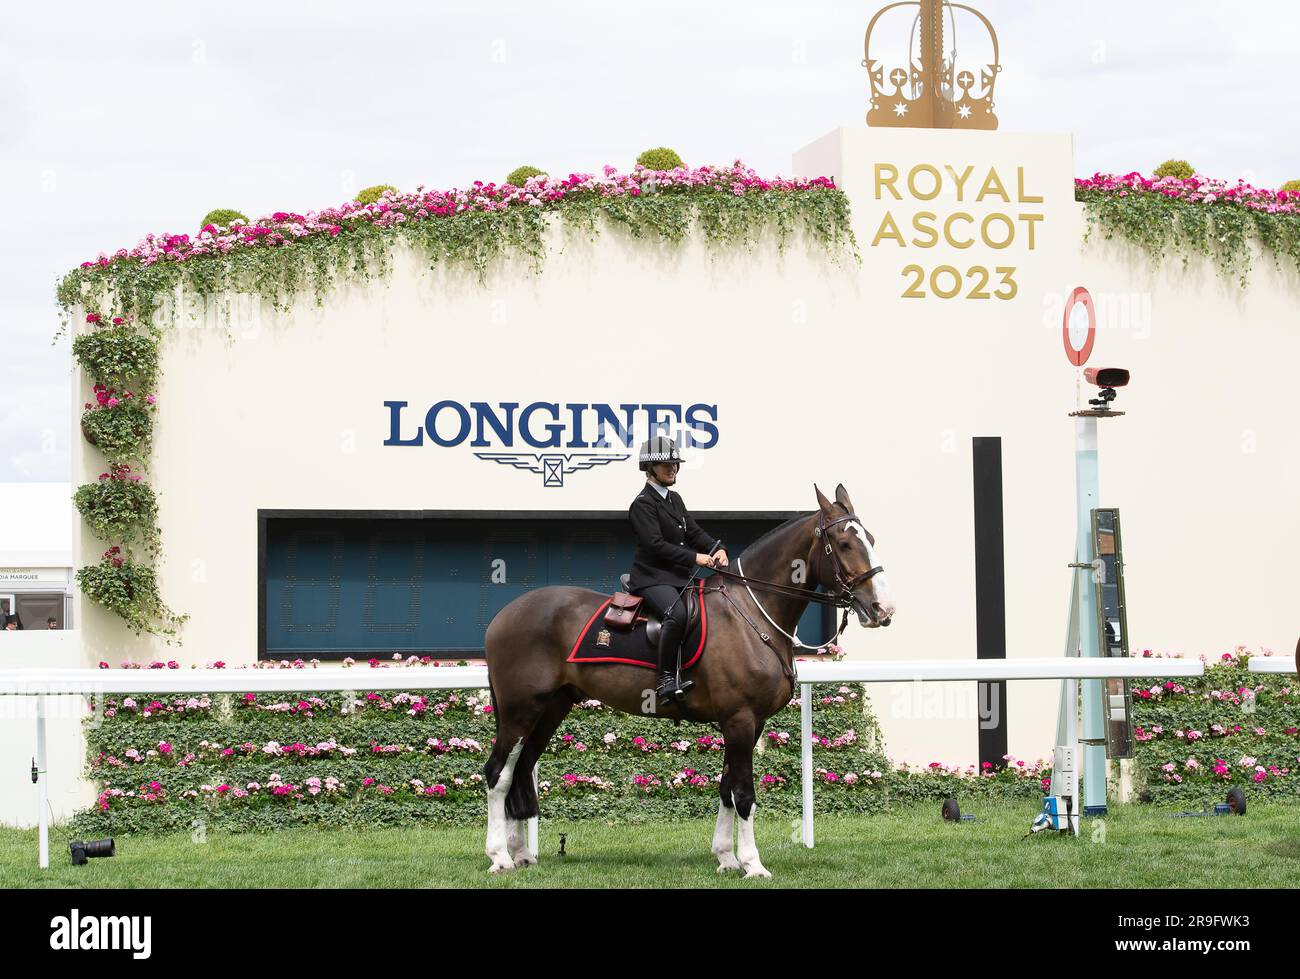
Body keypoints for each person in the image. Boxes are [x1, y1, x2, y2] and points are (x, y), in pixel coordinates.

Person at [626, 435, 728, 702]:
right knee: (677, 615)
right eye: (666, 464)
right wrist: (697, 558)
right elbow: (655, 546)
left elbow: (693, 532)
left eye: (675, 464)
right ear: (649, 468)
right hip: (652, 578)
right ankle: (665, 680)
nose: (672, 468)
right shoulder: (642, 504)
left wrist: (717, 547)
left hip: (677, 577)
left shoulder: (675, 499)